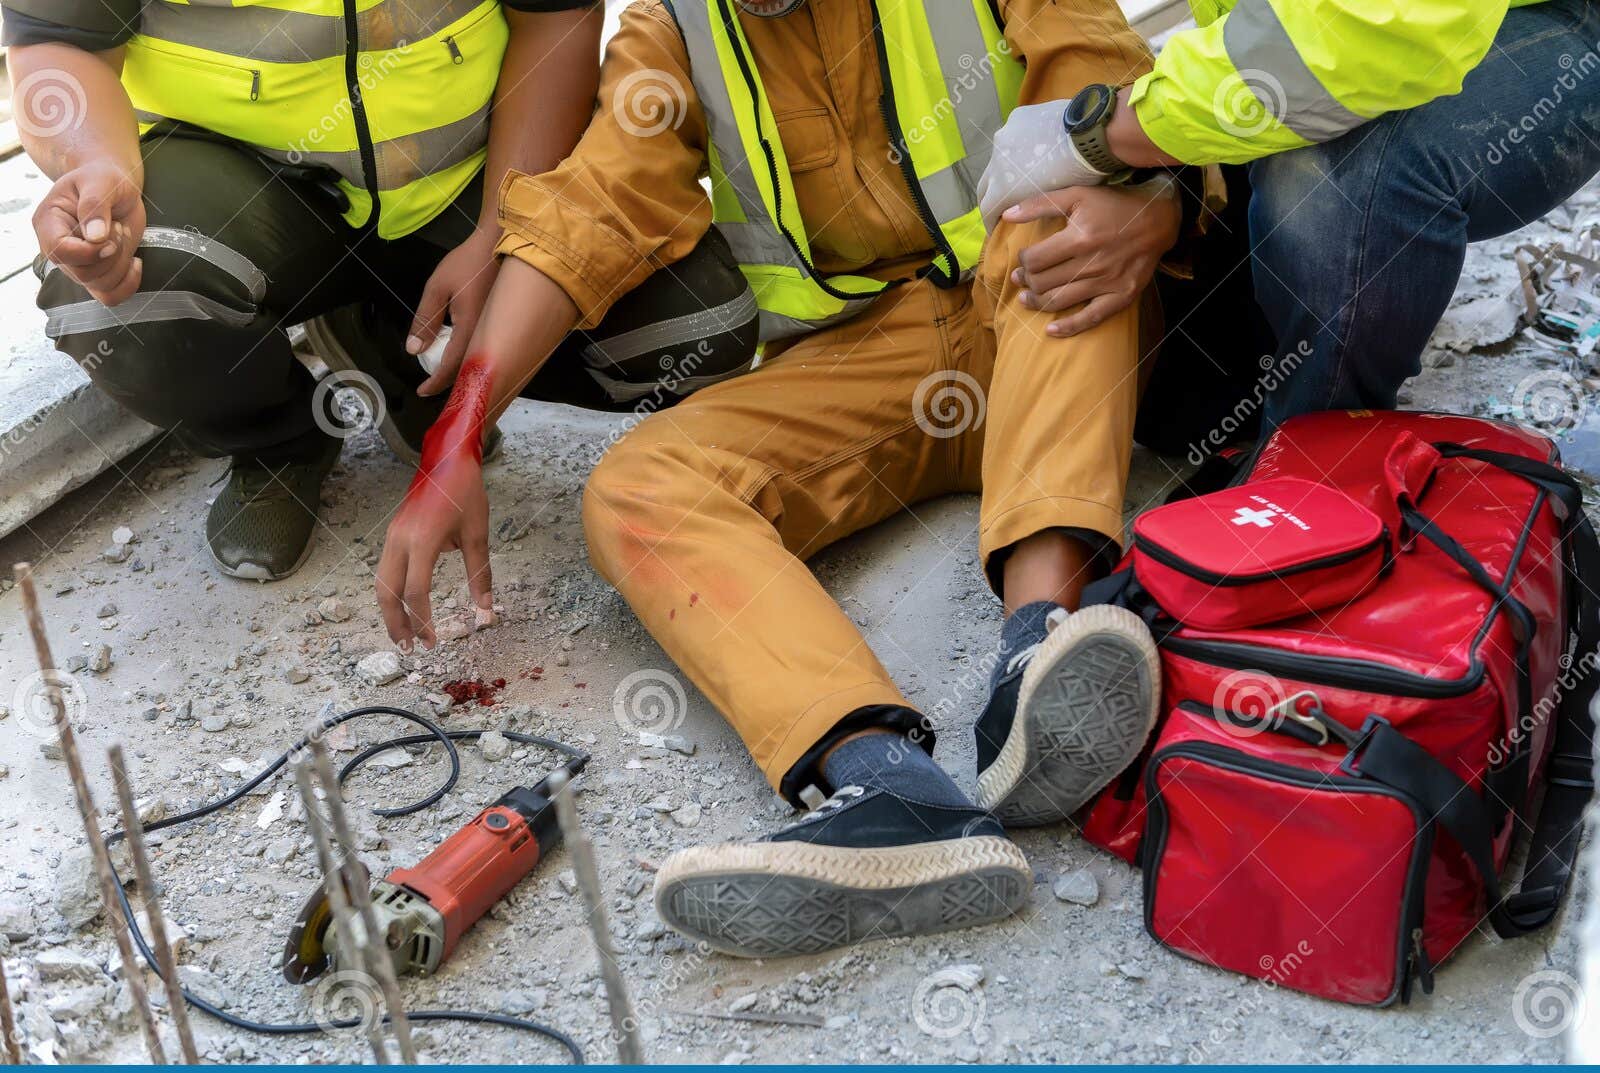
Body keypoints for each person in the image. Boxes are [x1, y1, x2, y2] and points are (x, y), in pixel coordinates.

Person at [376, 0, 1181, 958]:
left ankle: (1035, 654)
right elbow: (591, 210)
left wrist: (1156, 202)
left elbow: (1107, 89)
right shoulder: (675, 26)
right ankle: (889, 787)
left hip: (1053, 287)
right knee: (637, 483)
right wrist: (461, 431)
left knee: (1054, 221)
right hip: (886, 363)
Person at [7, 0, 757, 580]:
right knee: (121, 295)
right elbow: (56, 41)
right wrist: (102, 164)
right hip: (242, 183)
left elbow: (555, 20)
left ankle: (389, 345)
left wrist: (505, 230)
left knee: (697, 332)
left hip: (463, 176)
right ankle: (279, 442)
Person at [976, 0, 1600, 437]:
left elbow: (1385, 25)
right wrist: (1166, 186)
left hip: (1540, 21)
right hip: (1338, 43)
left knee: (1342, 181)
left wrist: (1107, 132)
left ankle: (1314, 465)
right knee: (1188, 404)